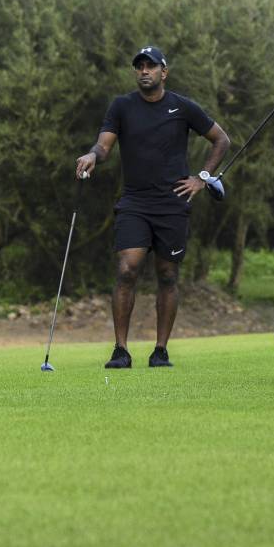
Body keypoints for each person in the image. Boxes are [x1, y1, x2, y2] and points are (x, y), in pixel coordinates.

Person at [76, 46, 230, 368]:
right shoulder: (122, 106)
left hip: (173, 203)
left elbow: (221, 140)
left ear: (164, 72)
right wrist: (92, 156)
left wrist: (202, 178)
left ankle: (160, 350)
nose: (144, 71)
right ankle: (121, 350)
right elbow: (104, 146)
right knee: (127, 269)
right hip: (135, 201)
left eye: (151, 66)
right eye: (139, 67)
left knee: (168, 275)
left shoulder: (182, 107)